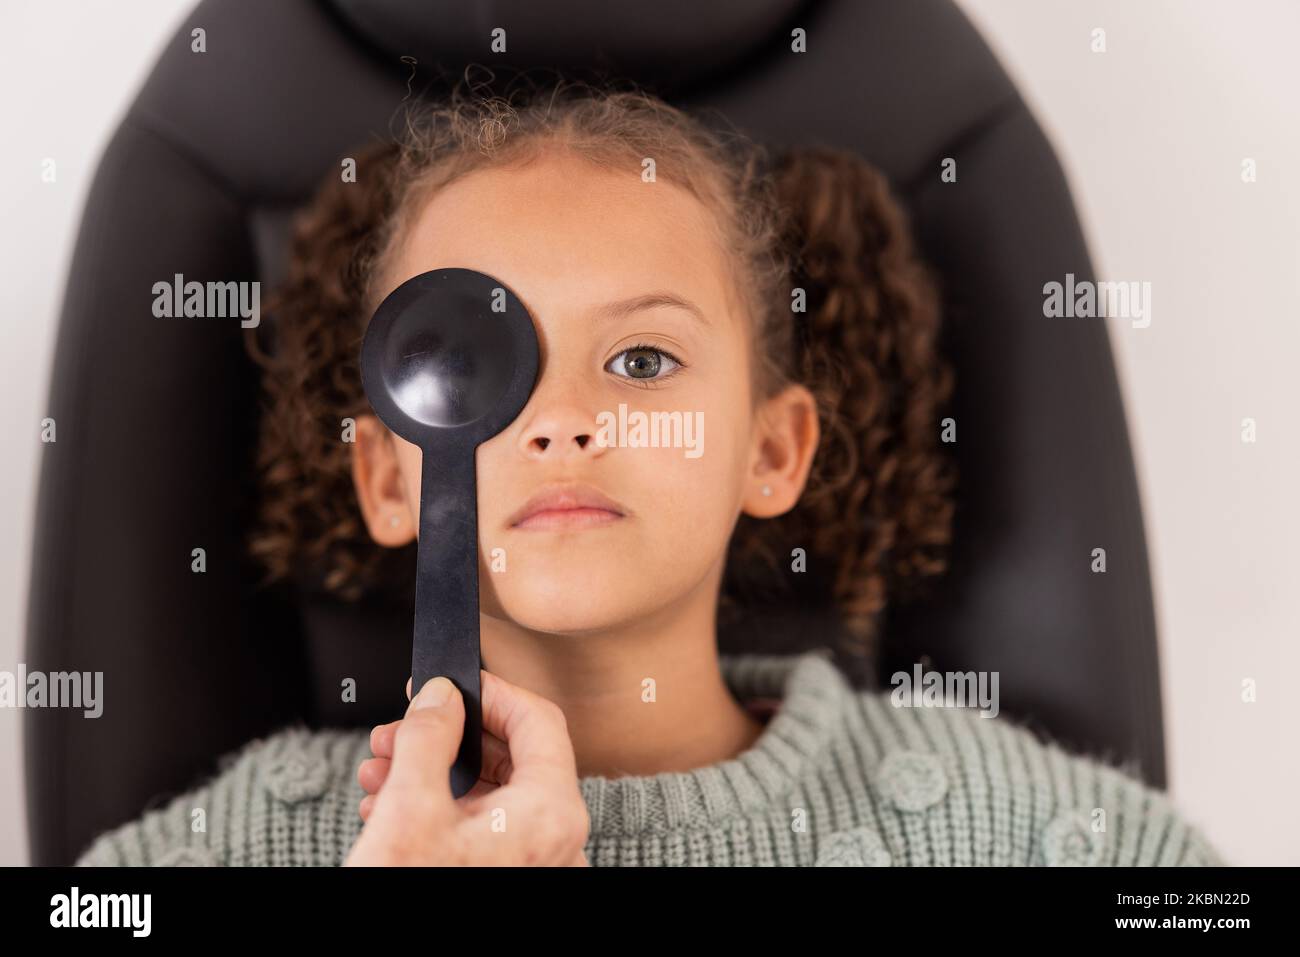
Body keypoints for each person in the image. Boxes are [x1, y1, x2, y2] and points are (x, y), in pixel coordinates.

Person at [76, 77, 1224, 867]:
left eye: (640, 358)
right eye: (470, 362)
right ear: (386, 476)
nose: (564, 419)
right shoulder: (226, 847)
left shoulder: (1021, 831)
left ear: (772, 451)